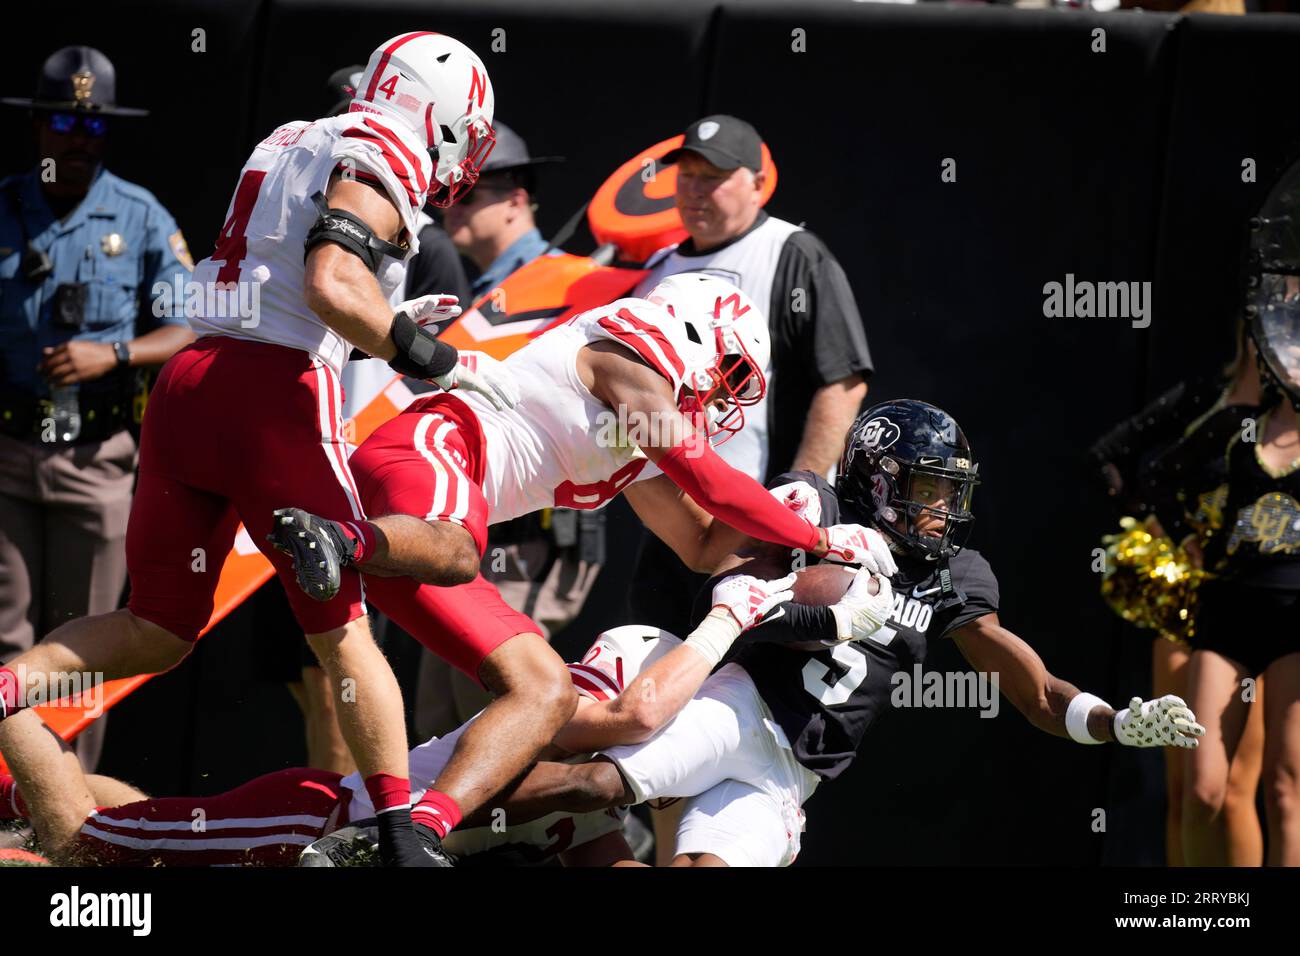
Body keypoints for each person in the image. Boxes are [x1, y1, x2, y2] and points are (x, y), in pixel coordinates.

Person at [0, 31, 512, 868]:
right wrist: (430, 360)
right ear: (438, 110)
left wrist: (375, 336)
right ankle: (399, 837)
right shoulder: (387, 149)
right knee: (344, 631)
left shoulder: (291, 137)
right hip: (269, 400)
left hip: (191, 384)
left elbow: (266, 285)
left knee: (160, 626)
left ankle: (5, 690)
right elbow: (329, 283)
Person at [273, 272, 896, 855]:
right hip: (427, 459)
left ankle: (413, 835)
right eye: (728, 371)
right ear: (692, 329)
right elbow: (715, 483)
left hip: (422, 542)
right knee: (461, 548)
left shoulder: (637, 434)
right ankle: (336, 540)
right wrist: (820, 536)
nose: (723, 396)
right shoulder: (624, 353)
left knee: (544, 691)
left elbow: (704, 544)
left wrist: (786, 545)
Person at [483, 400, 1205, 867]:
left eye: (952, 493)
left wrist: (1115, 724)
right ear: (879, 480)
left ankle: (564, 847)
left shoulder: (956, 575)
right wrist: (825, 616)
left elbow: (1038, 693)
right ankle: (421, 819)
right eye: (928, 490)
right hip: (741, 705)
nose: (942, 511)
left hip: (798, 769)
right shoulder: (813, 510)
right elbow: (731, 592)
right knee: (590, 783)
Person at [0, 572, 794, 866]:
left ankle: (17, 805)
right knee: (79, 847)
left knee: (133, 825)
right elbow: (599, 739)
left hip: (334, 828)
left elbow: (595, 838)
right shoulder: (620, 705)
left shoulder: (607, 793)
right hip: (320, 821)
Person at [0, 46, 195, 772]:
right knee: (5, 638)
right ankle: (3, 809)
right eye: (62, 121)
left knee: (83, 649)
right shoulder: (4, 207)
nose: (77, 140)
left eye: (94, 127)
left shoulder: (140, 216)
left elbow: (193, 324)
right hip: (10, 453)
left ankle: (65, 818)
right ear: (37, 127)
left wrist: (112, 355)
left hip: (97, 458)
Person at [629, 114, 875, 641]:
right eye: (687, 174)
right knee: (645, 674)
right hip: (671, 528)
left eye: (714, 175)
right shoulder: (655, 271)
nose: (696, 189)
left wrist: (800, 489)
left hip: (763, 531)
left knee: (737, 685)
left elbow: (844, 381)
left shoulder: (795, 253)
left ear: (759, 183)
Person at [1088, 321, 1267, 865]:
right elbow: (1112, 453)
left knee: (1231, 790)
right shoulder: (1205, 400)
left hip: (1252, 610)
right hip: (1187, 608)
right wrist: (1165, 529)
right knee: (1185, 790)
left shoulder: (1287, 419)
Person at [1171, 157, 1300, 867]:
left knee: (1284, 787)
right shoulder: (1240, 423)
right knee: (1206, 787)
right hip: (1226, 611)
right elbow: (1165, 475)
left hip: (1293, 618)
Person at [441, 120, 563, 301]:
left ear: (514, 203)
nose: (450, 206)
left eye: (465, 194)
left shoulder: (557, 277)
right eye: (444, 194)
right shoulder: (485, 287)